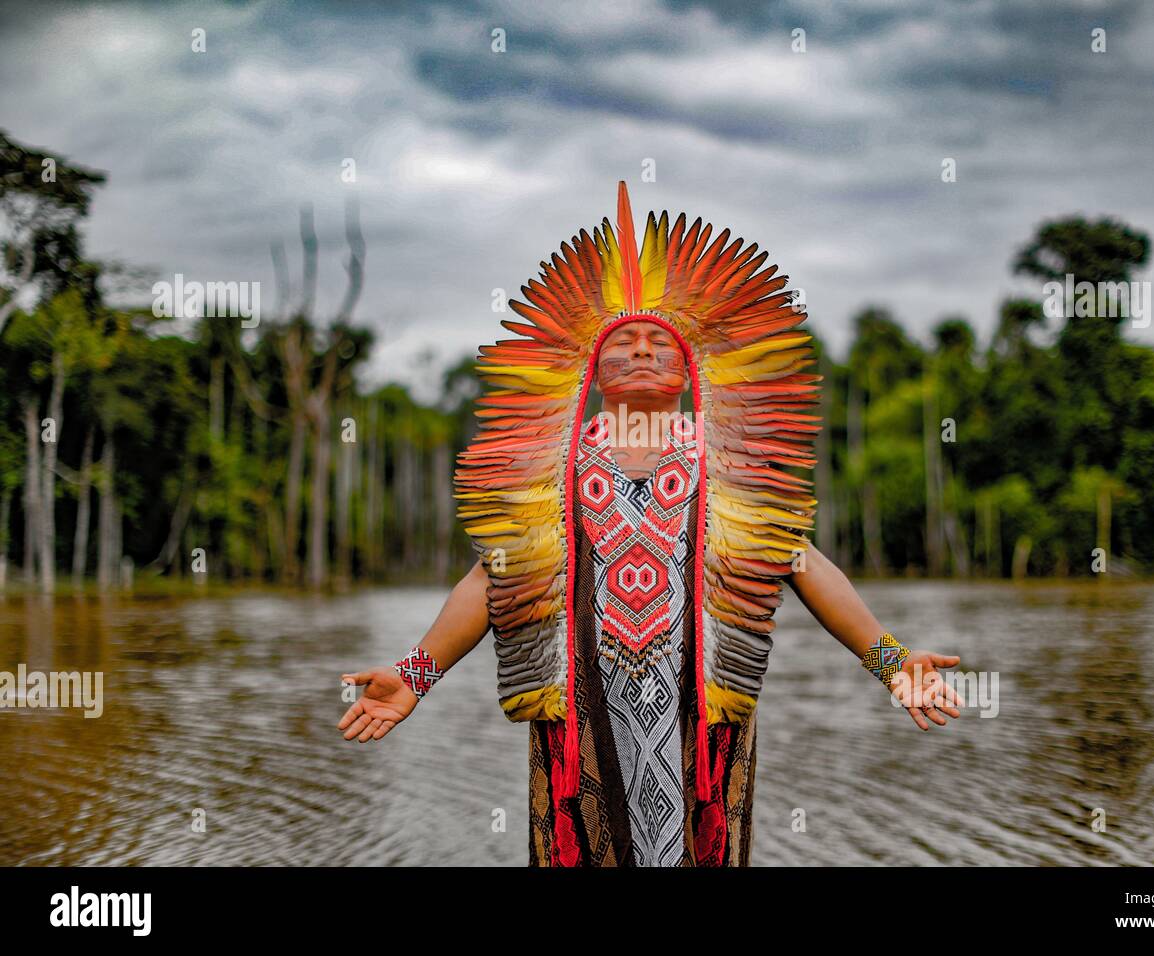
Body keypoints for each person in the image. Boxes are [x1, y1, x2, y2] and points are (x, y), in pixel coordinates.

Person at [338, 183, 963, 866]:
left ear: (689, 367)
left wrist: (892, 660)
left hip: (703, 722)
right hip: (582, 718)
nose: (641, 350)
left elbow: (803, 564)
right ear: (594, 367)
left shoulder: (723, 462)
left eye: (657, 342)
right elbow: (493, 579)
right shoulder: (558, 466)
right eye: (624, 342)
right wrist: (416, 673)